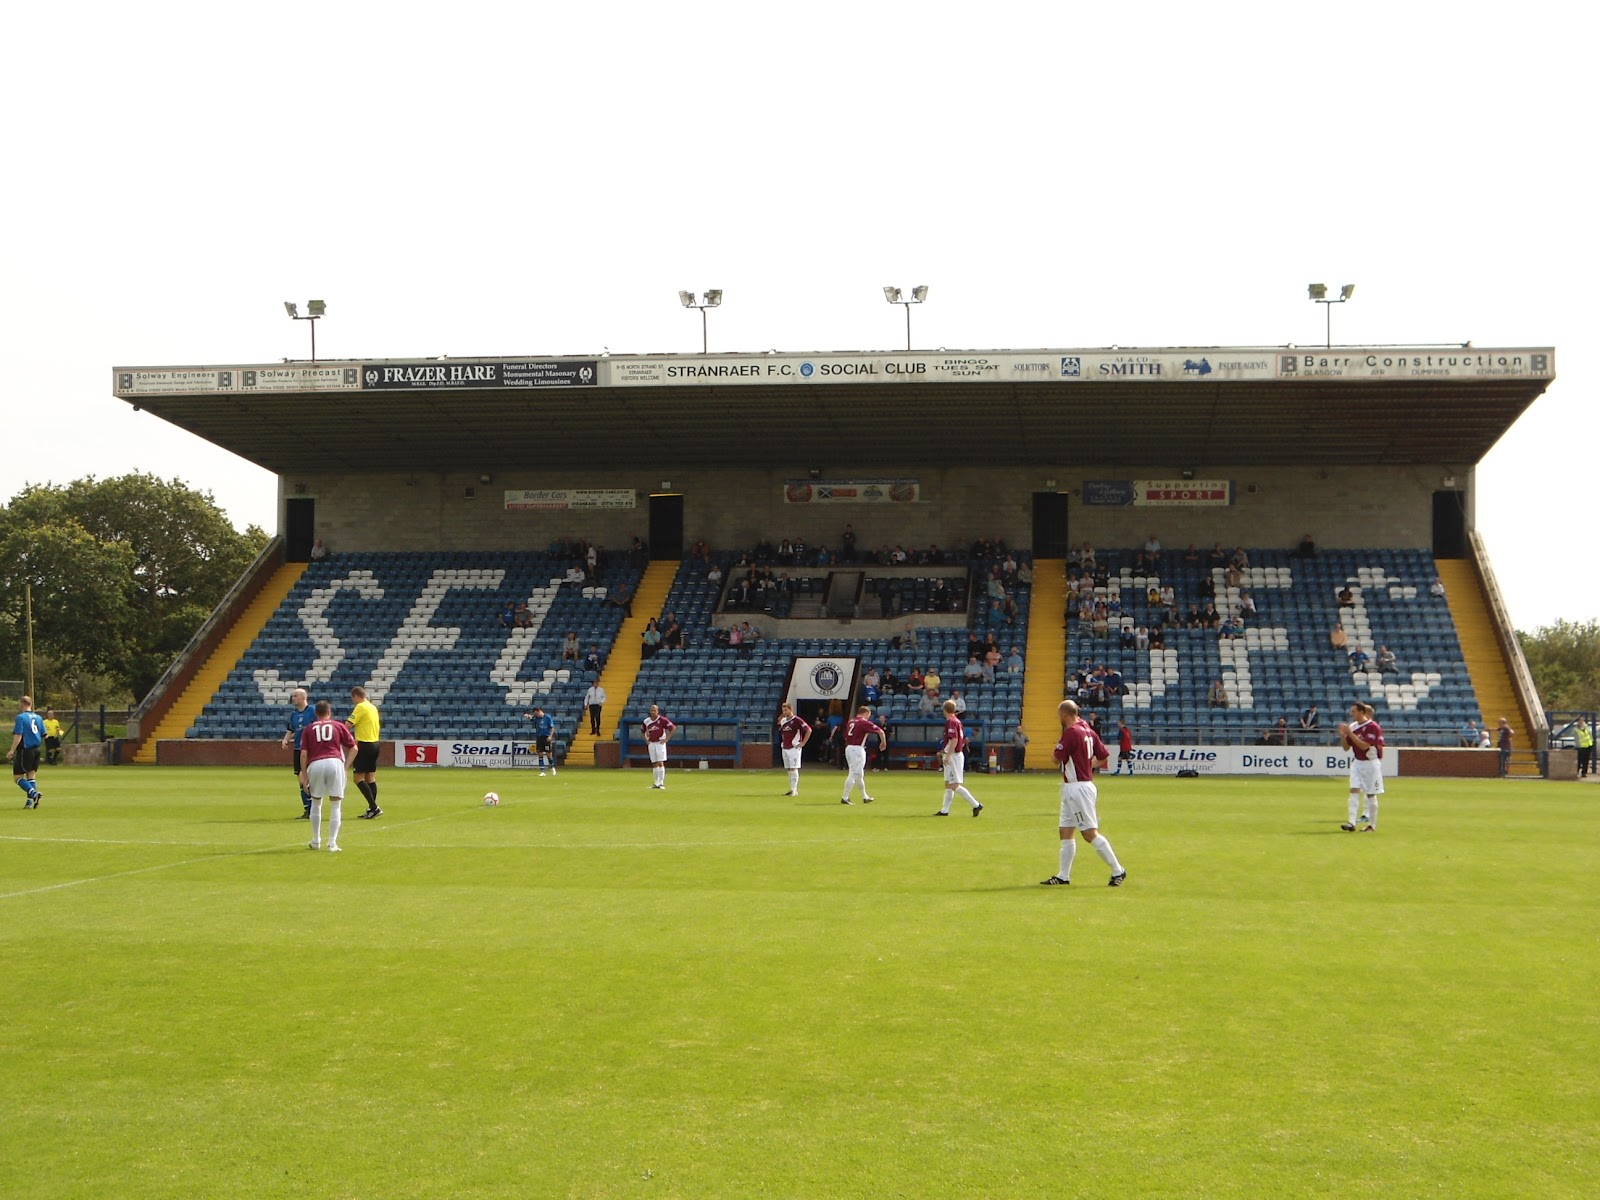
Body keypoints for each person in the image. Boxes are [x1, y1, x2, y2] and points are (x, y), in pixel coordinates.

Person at [1040, 698, 1126, 887]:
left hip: (1078, 788)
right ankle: (1063, 876)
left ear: (1064, 714)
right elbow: (1103, 756)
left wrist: (1081, 767)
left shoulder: (1071, 732)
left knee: (1089, 833)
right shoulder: (1088, 729)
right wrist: (1088, 766)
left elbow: (1056, 759)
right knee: (1065, 831)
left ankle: (1118, 870)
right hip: (1075, 786)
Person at [300, 699, 357, 853]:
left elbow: (304, 754)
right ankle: (332, 843)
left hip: (316, 763)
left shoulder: (309, 729)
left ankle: (316, 840)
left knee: (316, 802)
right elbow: (354, 748)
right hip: (334, 762)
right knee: (335, 804)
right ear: (329, 712)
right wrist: (345, 767)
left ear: (316, 713)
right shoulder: (338, 725)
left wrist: (304, 776)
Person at [933, 698, 983, 817]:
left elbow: (954, 739)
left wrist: (948, 755)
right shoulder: (957, 721)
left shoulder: (951, 722)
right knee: (948, 783)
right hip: (953, 754)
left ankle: (976, 805)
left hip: (954, 756)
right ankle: (945, 810)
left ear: (945, 710)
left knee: (954, 785)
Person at [1339, 701, 1385, 831]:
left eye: (1353, 711)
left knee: (1370, 794)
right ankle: (1351, 822)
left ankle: (1372, 825)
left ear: (1361, 712)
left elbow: (1365, 746)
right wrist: (1343, 736)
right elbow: (1346, 748)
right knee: (1354, 789)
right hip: (1357, 763)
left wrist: (1350, 734)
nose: (1351, 714)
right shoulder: (1353, 726)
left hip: (1370, 763)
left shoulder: (1373, 727)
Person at [347, 685, 383, 819]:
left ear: (356, 696)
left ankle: (374, 807)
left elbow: (348, 724)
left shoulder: (361, 706)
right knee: (370, 778)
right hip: (375, 744)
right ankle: (371, 809)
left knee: (358, 778)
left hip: (364, 744)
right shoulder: (372, 707)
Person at [281, 687, 317, 818]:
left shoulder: (313, 711)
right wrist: (285, 740)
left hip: (310, 750)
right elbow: (291, 729)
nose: (293, 698)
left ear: (303, 697)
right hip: (297, 749)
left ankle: (312, 809)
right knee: (300, 780)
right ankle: (308, 809)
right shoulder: (294, 714)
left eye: (295, 696)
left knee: (305, 779)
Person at [839, 705, 885, 805]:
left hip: (849, 747)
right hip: (857, 748)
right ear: (866, 713)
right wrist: (883, 742)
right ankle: (845, 797)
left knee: (859, 774)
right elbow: (880, 731)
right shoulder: (863, 722)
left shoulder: (851, 721)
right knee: (854, 773)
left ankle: (865, 796)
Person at [8, 695, 46, 808]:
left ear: (22, 704)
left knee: (18, 777)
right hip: (37, 749)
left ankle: (34, 794)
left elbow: (18, 735)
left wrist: (12, 750)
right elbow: (45, 735)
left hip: (26, 750)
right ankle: (30, 802)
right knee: (31, 776)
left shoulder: (21, 717)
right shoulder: (38, 718)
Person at [777, 702, 813, 796]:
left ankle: (794, 790)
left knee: (794, 768)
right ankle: (792, 788)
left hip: (794, 747)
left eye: (786, 710)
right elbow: (782, 733)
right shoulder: (783, 721)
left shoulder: (797, 720)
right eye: (783, 710)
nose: (784, 712)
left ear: (790, 709)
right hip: (785, 747)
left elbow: (808, 730)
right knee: (789, 769)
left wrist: (803, 743)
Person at [643, 703, 675, 789]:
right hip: (651, 743)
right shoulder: (646, 721)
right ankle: (656, 782)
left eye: (654, 710)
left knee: (660, 761)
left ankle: (661, 783)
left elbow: (673, 728)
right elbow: (643, 730)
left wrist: (666, 739)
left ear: (658, 711)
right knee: (654, 762)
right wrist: (646, 740)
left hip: (660, 743)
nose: (653, 712)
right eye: (651, 710)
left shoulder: (662, 720)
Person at [523, 705, 557, 775]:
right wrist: (528, 716)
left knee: (549, 754)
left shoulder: (548, 717)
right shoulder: (536, 718)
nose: (535, 715)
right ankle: (543, 771)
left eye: (536, 713)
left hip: (546, 738)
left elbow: (552, 728)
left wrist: (550, 736)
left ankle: (552, 768)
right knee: (540, 754)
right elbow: (531, 718)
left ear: (539, 711)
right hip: (539, 738)